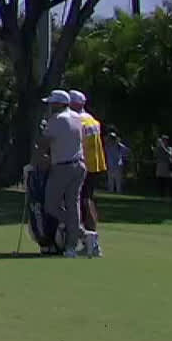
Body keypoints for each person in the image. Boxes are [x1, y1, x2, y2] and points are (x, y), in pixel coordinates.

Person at [42, 90, 86, 258]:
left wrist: (35, 162)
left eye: (52, 103)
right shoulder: (78, 117)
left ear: (60, 104)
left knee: (51, 205)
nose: (50, 106)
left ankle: (79, 232)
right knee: (72, 206)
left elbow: (44, 143)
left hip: (63, 167)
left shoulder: (57, 119)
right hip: (79, 165)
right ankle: (73, 244)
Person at [69, 90, 104, 258]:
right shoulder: (91, 119)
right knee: (88, 200)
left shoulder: (78, 120)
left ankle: (91, 240)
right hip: (95, 164)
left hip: (85, 164)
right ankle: (93, 240)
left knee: (83, 202)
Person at [106, 130, 130, 194]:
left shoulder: (119, 146)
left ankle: (118, 191)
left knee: (118, 180)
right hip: (110, 164)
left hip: (118, 165)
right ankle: (111, 191)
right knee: (110, 179)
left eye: (113, 138)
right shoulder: (107, 146)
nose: (111, 139)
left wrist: (118, 143)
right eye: (110, 138)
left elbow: (127, 151)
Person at [154, 135, 172, 200]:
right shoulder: (158, 148)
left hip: (168, 169)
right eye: (163, 140)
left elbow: (169, 154)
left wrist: (162, 147)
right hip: (160, 169)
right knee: (161, 185)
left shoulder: (169, 148)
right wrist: (158, 147)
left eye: (165, 140)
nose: (164, 142)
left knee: (170, 185)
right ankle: (162, 198)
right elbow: (155, 155)